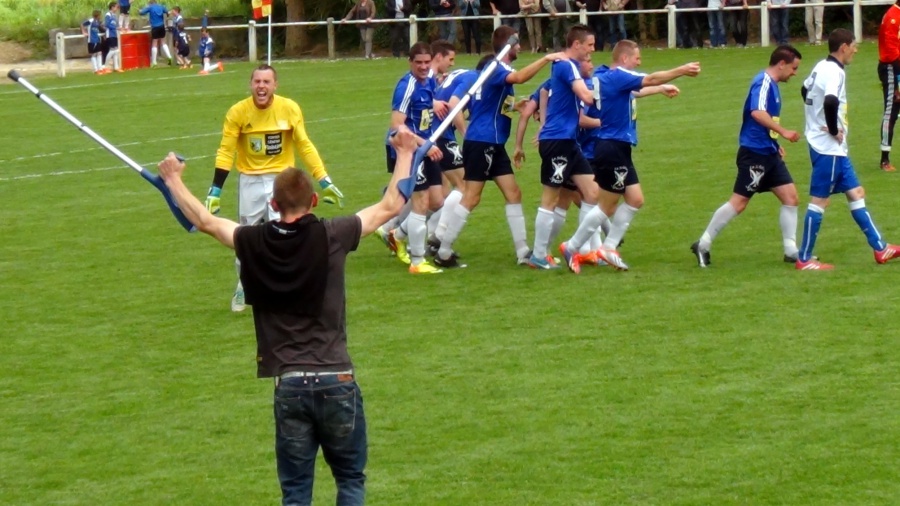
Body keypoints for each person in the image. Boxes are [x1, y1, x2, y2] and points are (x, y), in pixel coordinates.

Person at [157, 124, 419, 506]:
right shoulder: (333, 234)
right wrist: (407, 152)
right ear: (314, 201)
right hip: (337, 379)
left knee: (296, 494)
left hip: (290, 384)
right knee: (349, 480)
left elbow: (205, 221)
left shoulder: (252, 240)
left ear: (273, 205)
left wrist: (173, 180)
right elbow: (390, 207)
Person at [204, 65, 345, 311]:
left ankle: (285, 288)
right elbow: (225, 150)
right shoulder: (238, 112)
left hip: (283, 180)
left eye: (266, 81)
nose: (261, 86)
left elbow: (304, 145)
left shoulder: (289, 108)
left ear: (275, 85)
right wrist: (216, 189)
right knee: (245, 237)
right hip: (250, 181)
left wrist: (324, 180)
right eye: (257, 81)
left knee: (285, 236)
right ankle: (244, 284)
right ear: (250, 85)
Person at [435, 27, 566, 268]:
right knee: (472, 197)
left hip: (494, 143)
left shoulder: (495, 70)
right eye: (517, 43)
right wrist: (546, 58)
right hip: (482, 142)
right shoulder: (497, 67)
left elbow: (491, 104)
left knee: (514, 193)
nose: (520, 47)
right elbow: (519, 78)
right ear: (508, 44)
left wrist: (516, 105)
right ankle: (443, 250)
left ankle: (522, 251)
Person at [579, 40, 699, 271]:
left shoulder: (613, 76)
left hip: (618, 147)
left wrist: (661, 89)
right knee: (605, 204)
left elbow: (638, 89)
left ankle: (605, 247)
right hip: (612, 146)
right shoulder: (618, 76)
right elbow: (650, 79)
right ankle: (577, 247)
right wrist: (681, 71)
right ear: (624, 58)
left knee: (634, 199)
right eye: (637, 58)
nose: (640, 62)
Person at [691, 46, 804, 268]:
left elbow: (764, 120)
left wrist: (775, 143)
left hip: (768, 152)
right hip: (754, 154)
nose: (795, 73)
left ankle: (791, 250)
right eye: (794, 68)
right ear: (781, 63)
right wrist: (784, 132)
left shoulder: (773, 85)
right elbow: (757, 113)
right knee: (739, 202)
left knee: (791, 198)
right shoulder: (763, 82)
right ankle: (703, 244)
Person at [796, 28, 900, 270]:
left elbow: (805, 90)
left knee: (856, 193)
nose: (855, 49)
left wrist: (814, 119)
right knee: (819, 201)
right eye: (853, 45)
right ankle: (804, 259)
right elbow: (831, 100)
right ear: (843, 47)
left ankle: (881, 248)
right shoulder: (835, 72)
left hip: (834, 149)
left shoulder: (821, 66)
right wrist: (831, 129)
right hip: (828, 148)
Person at [529, 24, 598, 270]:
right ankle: (538, 254)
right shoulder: (566, 65)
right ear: (576, 44)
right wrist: (603, 95)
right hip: (556, 140)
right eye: (589, 45)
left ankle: (583, 249)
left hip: (569, 141)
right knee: (551, 197)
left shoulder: (568, 67)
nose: (592, 49)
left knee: (592, 193)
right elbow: (585, 96)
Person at [381, 42, 446, 274]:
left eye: (427, 62)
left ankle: (396, 235)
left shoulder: (429, 79)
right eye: (418, 63)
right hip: (408, 150)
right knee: (420, 203)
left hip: (425, 148)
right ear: (410, 62)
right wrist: (425, 145)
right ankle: (417, 261)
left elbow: (438, 69)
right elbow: (397, 126)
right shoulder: (405, 87)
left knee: (438, 201)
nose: (423, 67)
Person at [877, 0, 900, 172]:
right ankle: (884, 159)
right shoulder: (893, 16)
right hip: (892, 67)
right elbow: (891, 50)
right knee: (891, 111)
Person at [139, 0, 173, 67]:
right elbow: (167, 12)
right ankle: (169, 56)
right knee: (163, 42)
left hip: (155, 27)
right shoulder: (161, 6)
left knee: (154, 43)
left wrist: (140, 10)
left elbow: (141, 13)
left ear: (150, 3)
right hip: (162, 26)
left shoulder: (150, 7)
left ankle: (154, 62)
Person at [82, 10, 107, 75]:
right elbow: (82, 24)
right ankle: (96, 70)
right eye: (100, 15)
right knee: (93, 54)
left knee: (99, 53)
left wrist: (103, 35)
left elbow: (100, 29)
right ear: (97, 15)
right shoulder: (91, 20)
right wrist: (84, 32)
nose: (100, 16)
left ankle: (100, 69)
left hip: (97, 40)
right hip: (92, 40)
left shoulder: (97, 22)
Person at [103, 3, 124, 73]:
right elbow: (106, 24)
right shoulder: (108, 15)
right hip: (110, 34)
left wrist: (119, 28)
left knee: (116, 51)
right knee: (112, 50)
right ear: (112, 7)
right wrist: (116, 28)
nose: (117, 8)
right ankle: (105, 67)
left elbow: (116, 25)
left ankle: (116, 67)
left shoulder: (114, 15)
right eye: (116, 7)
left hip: (114, 34)